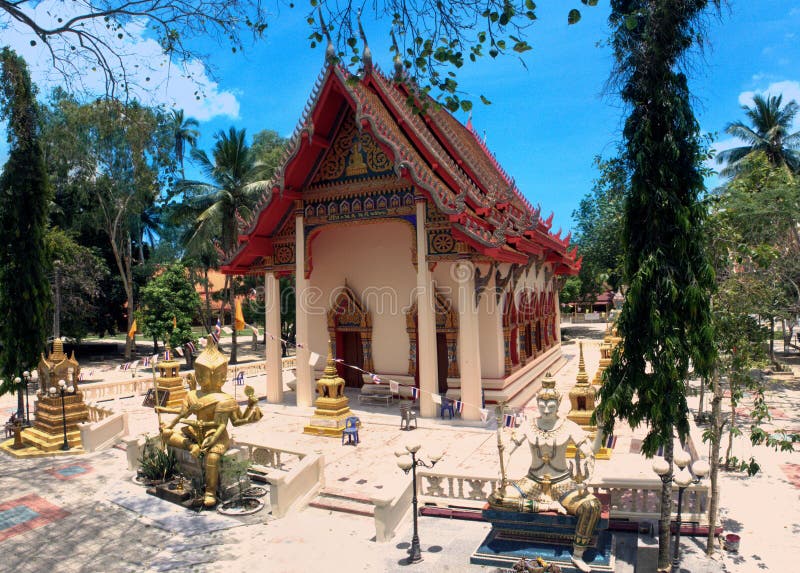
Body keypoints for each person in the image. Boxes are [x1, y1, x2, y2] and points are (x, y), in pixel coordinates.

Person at [488, 377, 601, 573]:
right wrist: (501, 465)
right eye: (542, 403)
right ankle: (547, 506)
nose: (546, 408)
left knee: (591, 506)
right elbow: (507, 450)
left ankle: (578, 554)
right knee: (496, 498)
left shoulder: (569, 426)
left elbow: (591, 452)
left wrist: (601, 429)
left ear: (558, 404)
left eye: (550, 403)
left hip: (562, 483)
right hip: (532, 482)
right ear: (537, 403)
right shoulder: (528, 425)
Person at [160, 337, 262, 507]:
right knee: (167, 434)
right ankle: (190, 446)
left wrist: (250, 410)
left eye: (203, 374)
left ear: (219, 376)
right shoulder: (192, 395)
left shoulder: (225, 399)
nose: (199, 377)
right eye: (198, 373)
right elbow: (181, 414)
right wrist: (168, 423)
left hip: (217, 435)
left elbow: (235, 422)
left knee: (212, 457)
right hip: (195, 433)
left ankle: (210, 491)